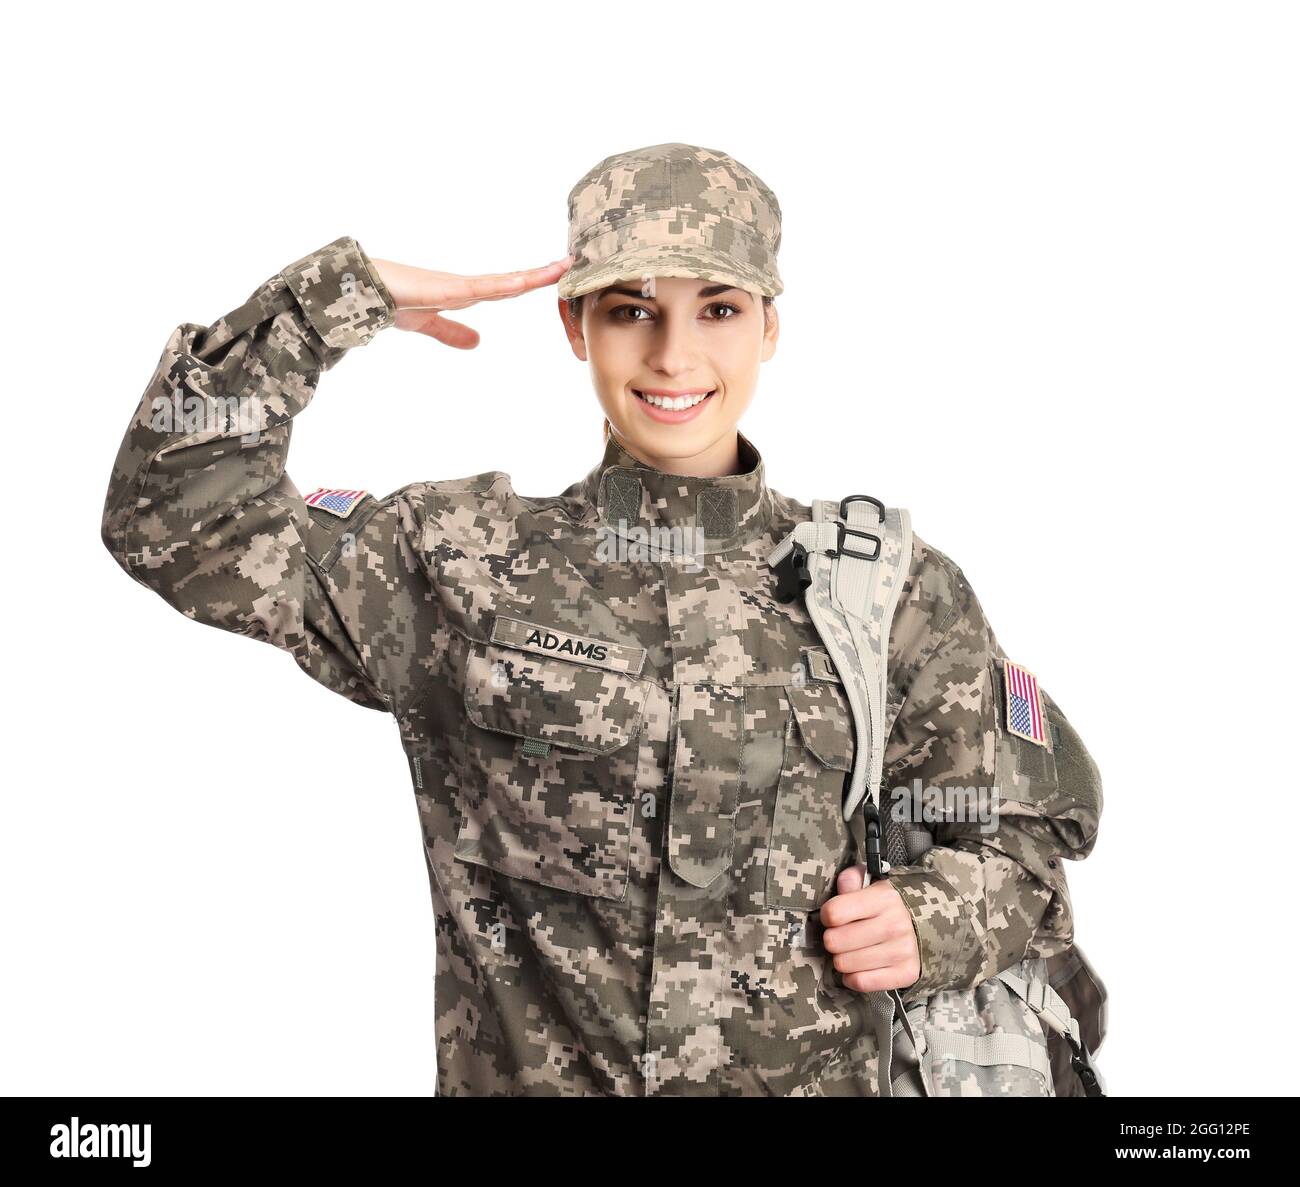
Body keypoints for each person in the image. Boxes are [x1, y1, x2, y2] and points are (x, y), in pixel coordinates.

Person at [101, 142, 1102, 1096]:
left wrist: (934, 919)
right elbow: (177, 522)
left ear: (768, 328)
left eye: (717, 308)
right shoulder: (457, 559)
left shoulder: (888, 590)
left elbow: (1016, 845)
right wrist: (321, 306)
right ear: (576, 326)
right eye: (631, 311)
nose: (674, 356)